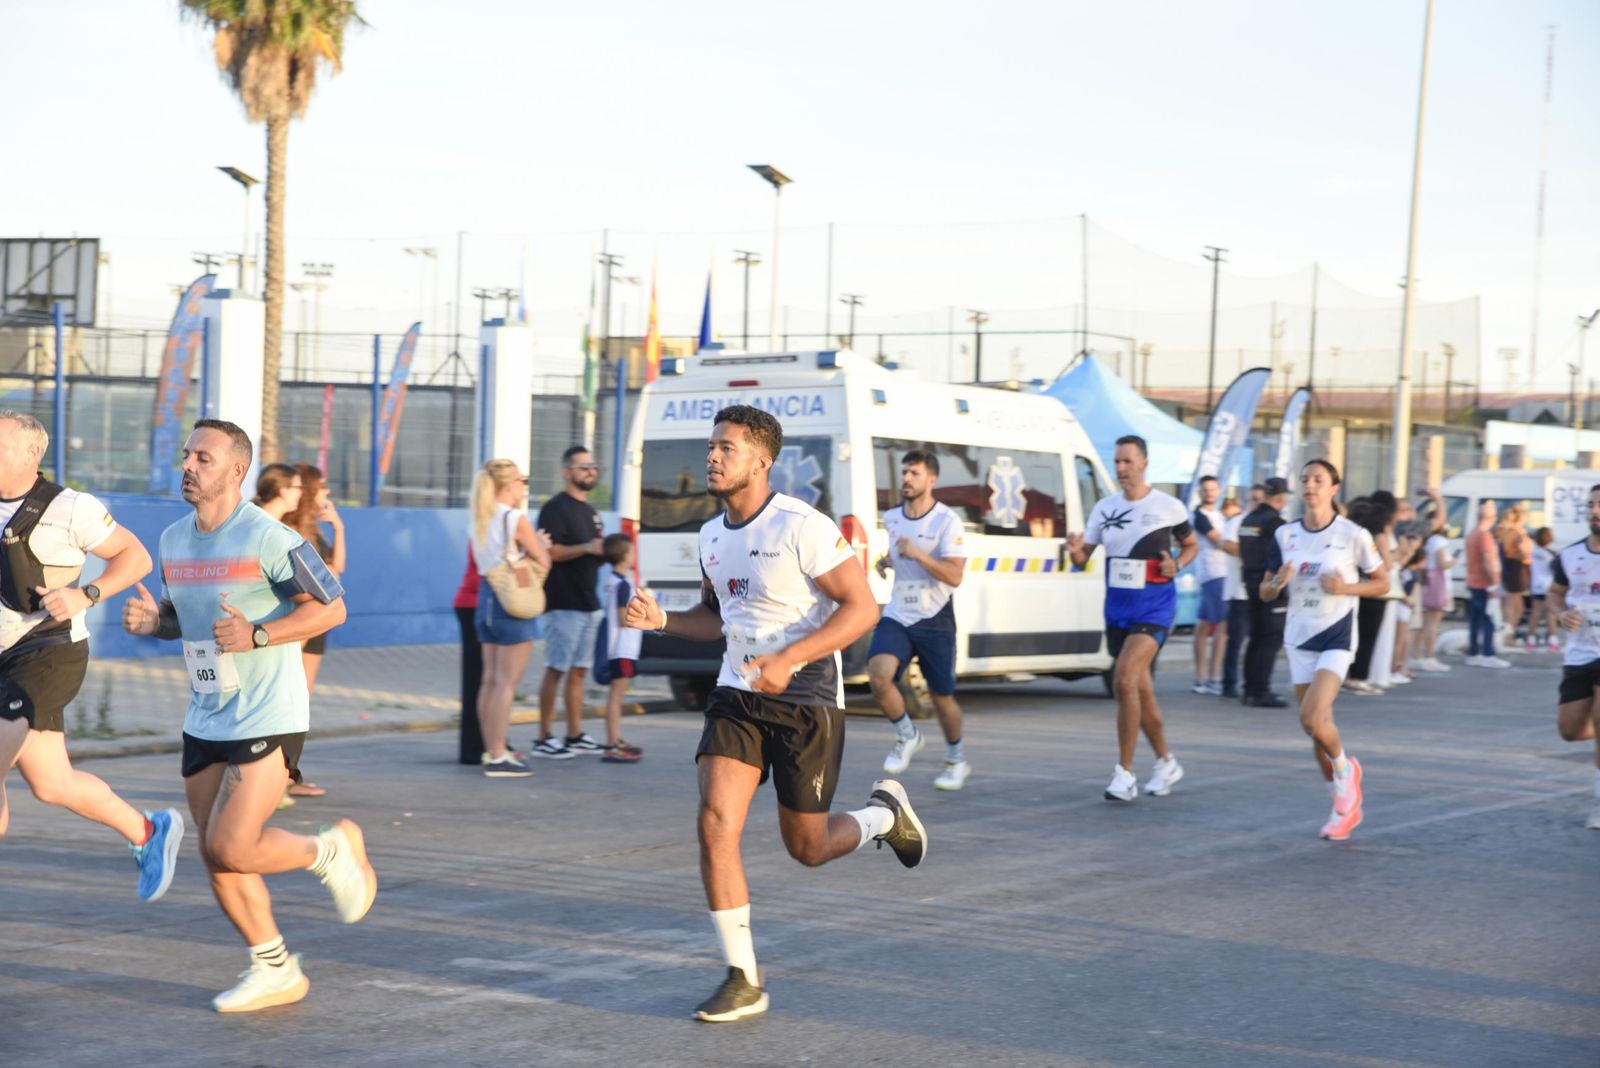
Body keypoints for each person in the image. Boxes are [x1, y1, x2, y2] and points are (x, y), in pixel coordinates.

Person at [622, 404, 925, 1023]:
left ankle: (882, 816)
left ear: (761, 461)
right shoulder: (710, 536)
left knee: (807, 847)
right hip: (737, 693)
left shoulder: (801, 526)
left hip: (806, 697)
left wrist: (793, 656)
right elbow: (716, 620)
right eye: (711, 447)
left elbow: (862, 609)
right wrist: (664, 622)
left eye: (725, 448)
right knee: (714, 820)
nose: (711, 457)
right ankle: (742, 977)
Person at [121, 418, 375, 1012]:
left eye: (203, 458)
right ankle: (274, 967)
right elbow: (190, 616)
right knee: (216, 853)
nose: (188, 465)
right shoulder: (173, 539)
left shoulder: (271, 538)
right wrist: (154, 622)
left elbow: (332, 609)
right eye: (187, 455)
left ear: (237, 470)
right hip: (207, 712)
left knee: (234, 846)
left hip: (268, 711)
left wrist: (259, 634)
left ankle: (329, 850)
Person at [0, 410, 184, 901]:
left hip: (48, 650)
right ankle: (149, 832)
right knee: (51, 783)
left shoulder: (71, 507)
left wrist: (87, 595)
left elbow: (136, 557)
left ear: (30, 453)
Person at [1260, 459, 1387, 840]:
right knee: (1313, 728)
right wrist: (1278, 583)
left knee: (1314, 718)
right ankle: (1342, 806)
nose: (1310, 485)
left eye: (1318, 479)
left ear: (1334, 488)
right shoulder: (1285, 536)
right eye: (1305, 479)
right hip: (1299, 636)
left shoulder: (1353, 535)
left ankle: (1347, 772)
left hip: (1336, 634)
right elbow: (1264, 592)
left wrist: (1346, 589)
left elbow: (1381, 583)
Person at [1067, 435, 1198, 801]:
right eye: (1117, 462)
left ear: (1144, 463)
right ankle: (1166, 761)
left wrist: (1179, 564)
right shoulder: (1104, 508)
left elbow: (1191, 545)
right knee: (1141, 691)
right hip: (1118, 611)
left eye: (1127, 461)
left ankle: (1124, 775)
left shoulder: (1168, 506)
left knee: (1123, 681)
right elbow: (1083, 558)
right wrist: (1076, 552)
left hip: (1155, 609)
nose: (1121, 468)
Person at [869, 449, 971, 791]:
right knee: (878, 674)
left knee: (942, 697)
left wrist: (918, 554)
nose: (907, 479)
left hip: (934, 617)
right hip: (899, 613)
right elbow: (900, 556)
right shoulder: (892, 516)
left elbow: (955, 575)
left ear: (931, 480)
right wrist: (887, 561)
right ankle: (907, 735)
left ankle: (956, 759)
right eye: (905, 473)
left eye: (914, 473)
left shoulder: (947, 521)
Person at [472, 458, 554, 777]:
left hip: (487, 598)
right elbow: (543, 559)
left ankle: (492, 748)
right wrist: (543, 545)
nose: (524, 487)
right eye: (522, 481)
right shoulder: (513, 518)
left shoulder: (481, 515)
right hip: (512, 601)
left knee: (490, 680)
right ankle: (497, 755)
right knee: (507, 683)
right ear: (508, 485)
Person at [532, 445, 607, 758]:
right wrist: (588, 547)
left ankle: (574, 734)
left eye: (592, 466)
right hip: (562, 603)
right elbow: (548, 552)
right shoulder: (555, 509)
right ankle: (545, 736)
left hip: (589, 602)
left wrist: (607, 553)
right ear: (567, 472)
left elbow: (593, 550)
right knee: (556, 669)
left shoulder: (591, 511)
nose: (590, 471)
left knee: (579, 671)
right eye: (583, 467)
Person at [279, 464, 345, 798]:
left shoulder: (313, 531)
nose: (327, 493)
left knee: (301, 698)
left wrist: (338, 526)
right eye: (322, 487)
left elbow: (336, 569)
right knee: (289, 697)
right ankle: (282, 777)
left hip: (320, 618)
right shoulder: (290, 531)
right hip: (301, 618)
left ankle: (290, 775)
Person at [1548, 485, 1600, 829]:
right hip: (1580, 651)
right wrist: (1560, 614)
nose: (1595, 511)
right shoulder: (1568, 556)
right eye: (1592, 505)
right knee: (1571, 729)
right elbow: (1555, 594)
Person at [1239, 477, 1293, 707]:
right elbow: (1284, 556)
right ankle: (1260, 690)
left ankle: (1250, 688)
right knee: (1269, 639)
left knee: (1256, 638)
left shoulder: (1249, 518)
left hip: (1250, 583)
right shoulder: (1276, 523)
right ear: (1281, 497)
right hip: (1270, 586)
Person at [593, 533, 644, 763]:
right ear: (625, 556)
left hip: (618, 648)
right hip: (622, 649)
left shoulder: (613, 582)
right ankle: (613, 744)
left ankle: (616, 739)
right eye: (632, 551)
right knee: (616, 698)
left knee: (616, 697)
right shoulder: (623, 585)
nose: (634, 555)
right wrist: (644, 618)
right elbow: (623, 619)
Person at [1344, 496, 1394, 696]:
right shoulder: (1380, 537)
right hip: (1374, 590)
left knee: (1356, 634)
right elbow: (1387, 565)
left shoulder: (1359, 534)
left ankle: (1349, 675)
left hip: (1358, 587)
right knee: (1369, 636)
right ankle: (1359, 678)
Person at [1219, 486, 1263, 698]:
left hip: (1259, 591)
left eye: (1261, 499)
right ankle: (1229, 683)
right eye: (1254, 498)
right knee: (1235, 640)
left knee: (1256, 641)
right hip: (1239, 591)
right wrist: (1254, 555)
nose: (1257, 502)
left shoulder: (1268, 522)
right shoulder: (1238, 521)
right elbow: (1226, 544)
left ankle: (1251, 684)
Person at [1190, 475, 1229, 696]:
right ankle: (1214, 678)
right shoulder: (1200, 517)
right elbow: (1219, 541)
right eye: (1206, 490)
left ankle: (1200, 679)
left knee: (1203, 626)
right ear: (1200, 491)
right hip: (1213, 574)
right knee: (1223, 626)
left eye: (1213, 489)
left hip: (1220, 573)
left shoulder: (1219, 515)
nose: (1210, 493)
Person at [1463, 500, 1511, 668]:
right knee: (1489, 619)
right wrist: (1493, 583)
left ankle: (1474, 652)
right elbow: (1488, 561)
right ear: (1491, 517)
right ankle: (1488, 653)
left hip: (1473, 581)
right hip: (1484, 583)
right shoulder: (1484, 536)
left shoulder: (1472, 533)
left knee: (1475, 620)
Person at [454, 545, 486, 764]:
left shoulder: (490, 526)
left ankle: (486, 742)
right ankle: (475, 748)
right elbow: (480, 577)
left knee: (487, 681)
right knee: (478, 680)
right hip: (475, 606)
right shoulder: (488, 528)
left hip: (480, 605)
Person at [1414, 517, 1455, 673]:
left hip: (1427, 581)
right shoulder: (1439, 540)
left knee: (1423, 622)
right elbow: (1442, 563)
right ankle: (1430, 656)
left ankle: (1416, 654)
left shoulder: (1427, 540)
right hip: (1438, 583)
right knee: (1433, 622)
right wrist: (1454, 560)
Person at [1498, 504, 1533, 645]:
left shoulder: (1512, 531)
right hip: (1516, 568)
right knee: (1512, 604)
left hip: (1517, 568)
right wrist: (1524, 553)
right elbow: (1519, 551)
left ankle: (1510, 632)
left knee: (1517, 605)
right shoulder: (1514, 533)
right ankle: (1507, 635)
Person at [1528, 526, 1558, 651]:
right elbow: (1555, 570)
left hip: (1536, 586)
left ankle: (1531, 639)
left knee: (1535, 613)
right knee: (1551, 614)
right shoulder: (1550, 555)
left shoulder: (1533, 552)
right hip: (1549, 587)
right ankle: (1552, 641)